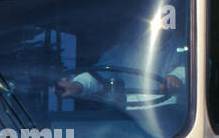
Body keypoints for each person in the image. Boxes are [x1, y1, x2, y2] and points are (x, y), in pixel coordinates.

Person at [55, 23, 187, 102]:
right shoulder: (123, 50)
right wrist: (79, 85)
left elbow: (194, 68)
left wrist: (177, 78)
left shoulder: (184, 46)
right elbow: (100, 75)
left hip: (171, 117)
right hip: (129, 115)